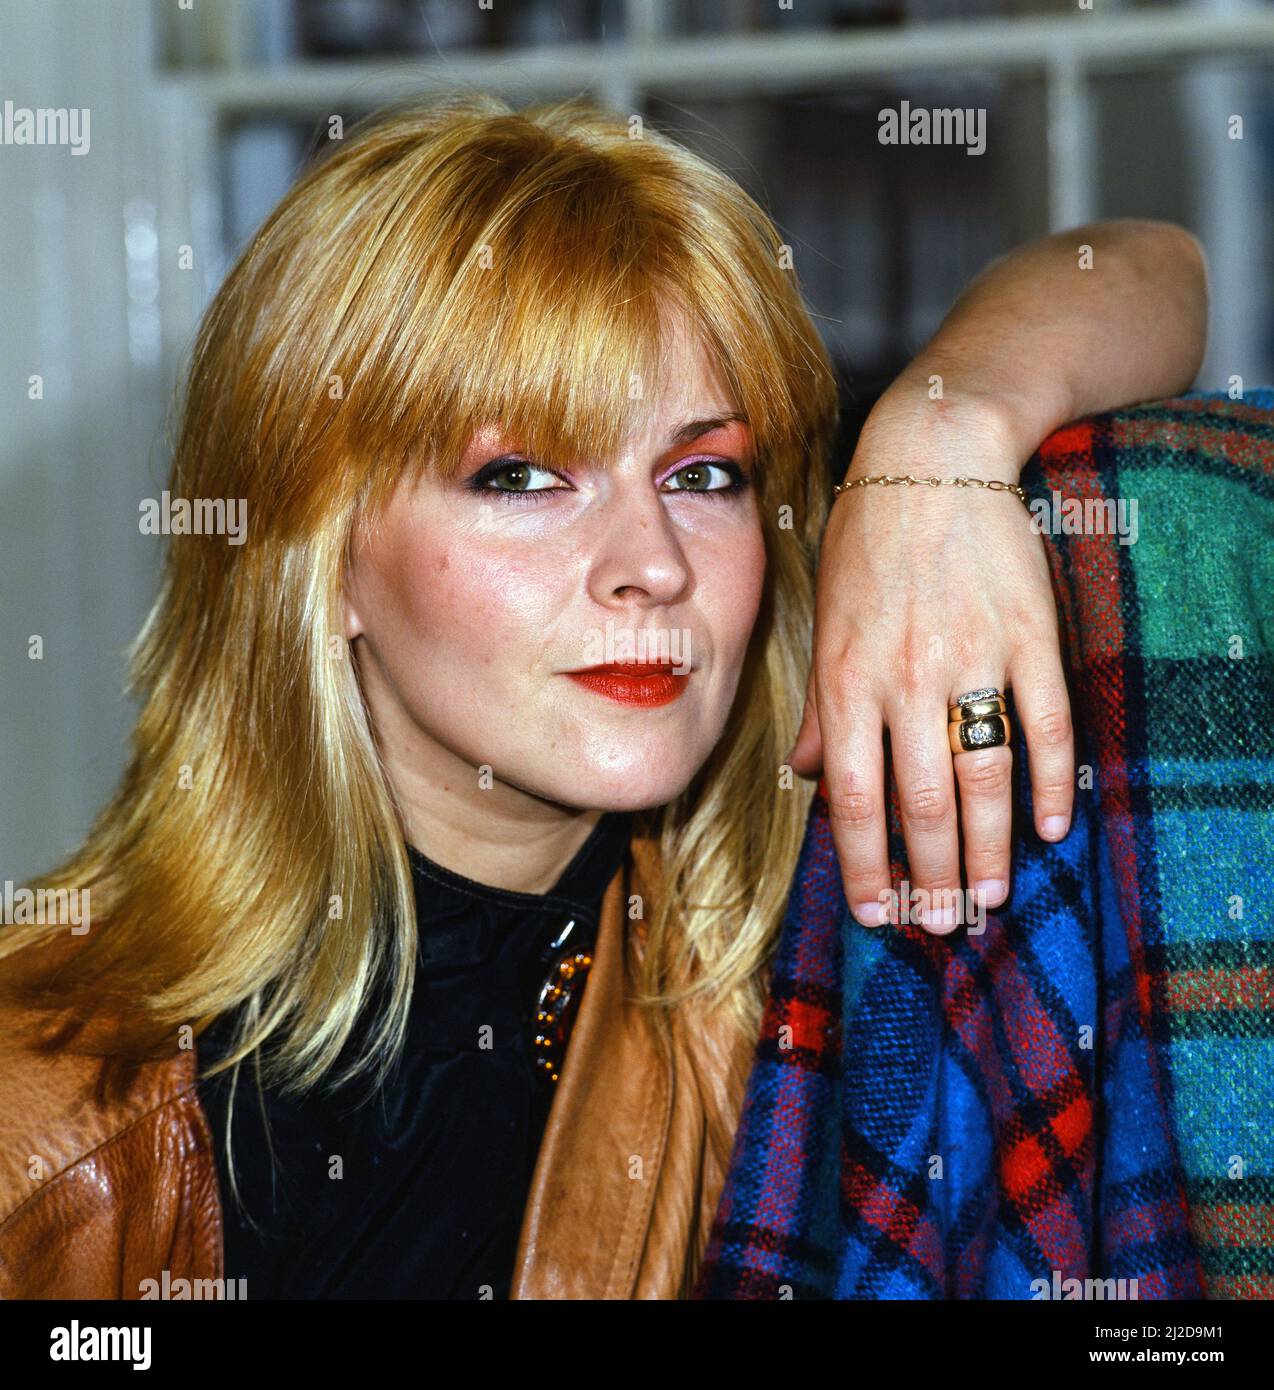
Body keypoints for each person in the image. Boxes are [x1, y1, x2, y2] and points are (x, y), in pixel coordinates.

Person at [0, 92, 1206, 1299]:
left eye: (702, 472)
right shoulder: (53, 1118)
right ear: (320, 560)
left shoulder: (812, 949)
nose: (654, 562)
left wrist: (931, 446)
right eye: (521, 474)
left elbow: (1156, 267)